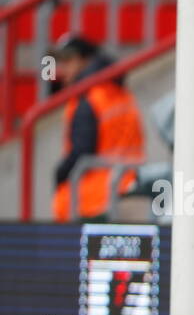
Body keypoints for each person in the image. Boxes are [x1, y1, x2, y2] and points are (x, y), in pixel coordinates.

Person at [48, 34, 146, 223]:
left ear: (86, 60)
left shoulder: (88, 99)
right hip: (128, 186)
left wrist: (59, 174)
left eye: (68, 60)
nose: (62, 68)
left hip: (93, 198)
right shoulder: (120, 93)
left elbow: (81, 152)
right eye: (60, 61)